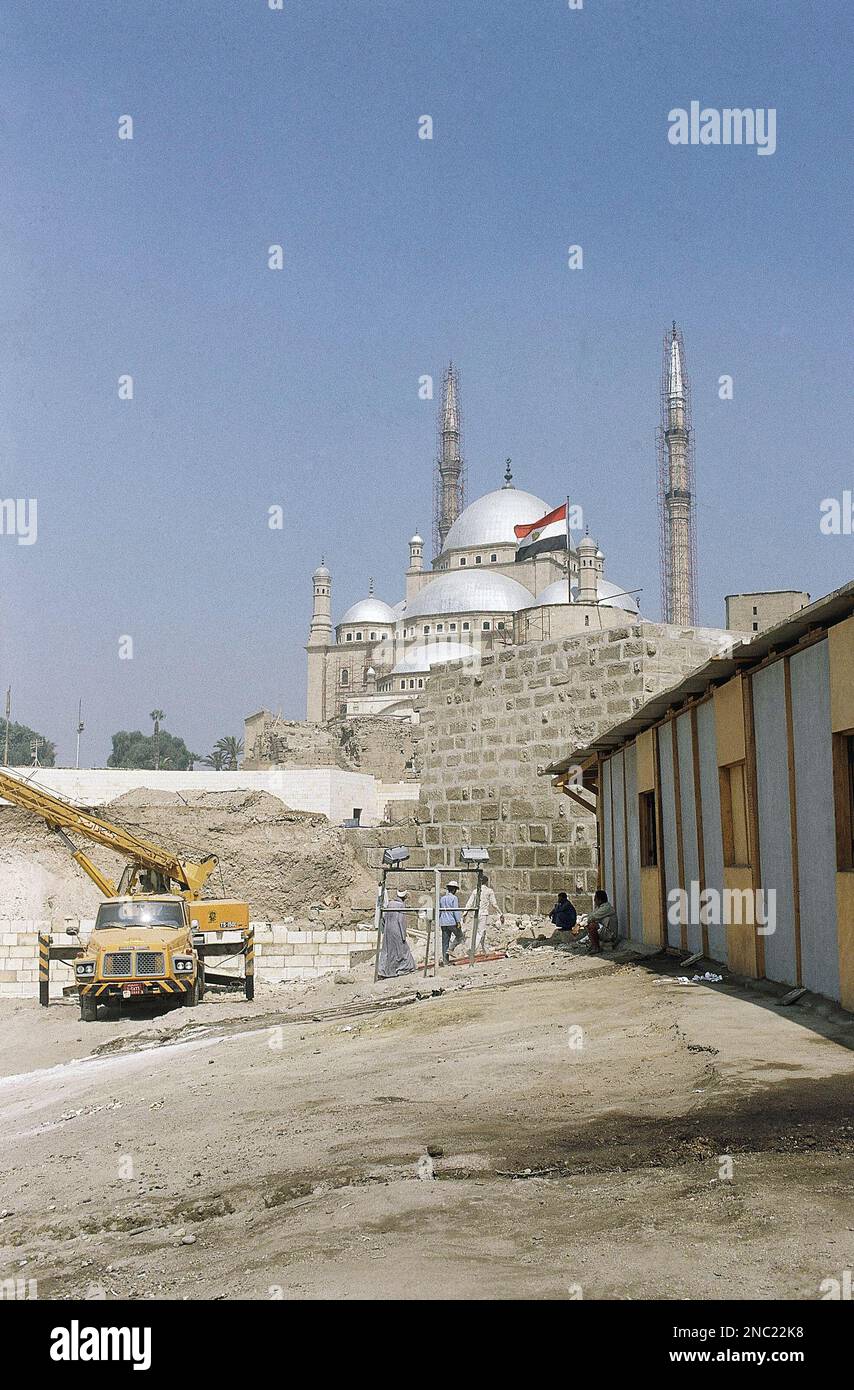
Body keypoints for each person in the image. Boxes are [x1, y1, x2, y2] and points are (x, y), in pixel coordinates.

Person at [377, 888, 417, 978]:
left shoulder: (390, 904)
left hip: (388, 930)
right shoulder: (401, 906)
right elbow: (401, 921)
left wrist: (385, 928)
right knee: (403, 950)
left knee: (387, 951)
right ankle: (403, 969)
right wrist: (403, 935)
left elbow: (384, 918)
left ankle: (384, 971)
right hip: (397, 930)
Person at [464, 875, 502, 954]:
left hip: (475, 913)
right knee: (480, 932)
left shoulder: (475, 891)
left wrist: (465, 913)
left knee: (479, 932)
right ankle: (472, 948)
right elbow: (494, 904)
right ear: (487, 882)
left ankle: (484, 949)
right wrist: (500, 913)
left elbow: (469, 903)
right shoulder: (489, 891)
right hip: (483, 914)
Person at [438, 880, 464, 965]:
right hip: (451, 921)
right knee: (460, 936)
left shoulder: (442, 898)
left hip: (443, 922)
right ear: (454, 890)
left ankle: (445, 961)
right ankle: (451, 949)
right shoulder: (454, 898)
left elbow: (439, 911)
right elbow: (455, 910)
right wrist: (458, 921)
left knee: (445, 941)